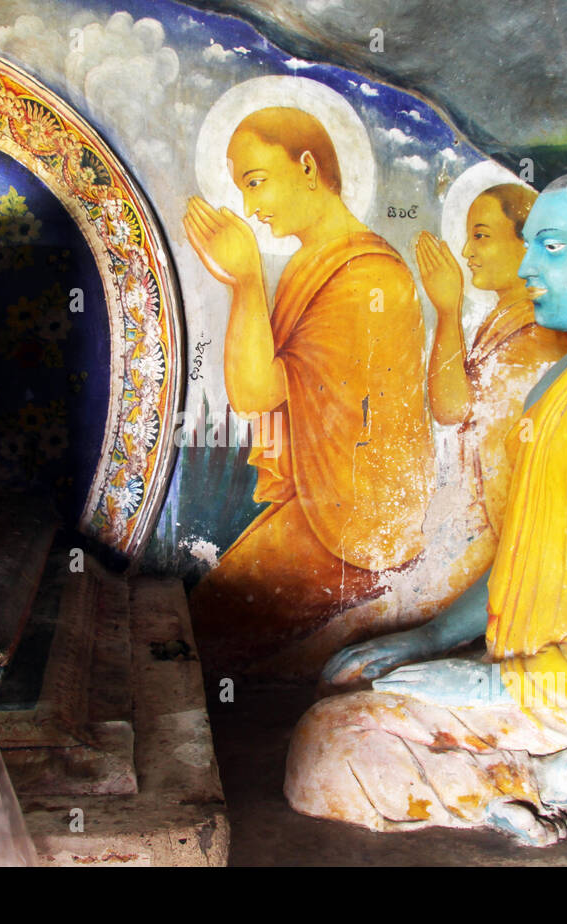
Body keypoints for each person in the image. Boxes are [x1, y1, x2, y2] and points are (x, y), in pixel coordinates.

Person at [286, 172, 567, 847]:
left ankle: (566, 780)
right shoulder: (557, 386)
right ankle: (552, 780)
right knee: (339, 696)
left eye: (552, 248)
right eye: (530, 246)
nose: (528, 266)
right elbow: (521, 563)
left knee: (323, 749)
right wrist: (431, 639)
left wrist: (493, 687)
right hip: (536, 687)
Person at [183, 106, 433, 678]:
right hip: (322, 506)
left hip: (357, 522)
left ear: (306, 166)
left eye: (255, 182)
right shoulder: (311, 264)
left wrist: (246, 279)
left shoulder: (366, 276)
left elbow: (256, 393)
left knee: (203, 629)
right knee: (200, 627)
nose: (250, 207)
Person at [299, 183, 567, 661]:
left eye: (482, 236)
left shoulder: (540, 337)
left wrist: (447, 309)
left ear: (526, 244)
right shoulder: (503, 322)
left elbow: (454, 411)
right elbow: (452, 408)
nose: (467, 252)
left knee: (340, 648)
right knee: (332, 639)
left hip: (497, 549)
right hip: (461, 533)